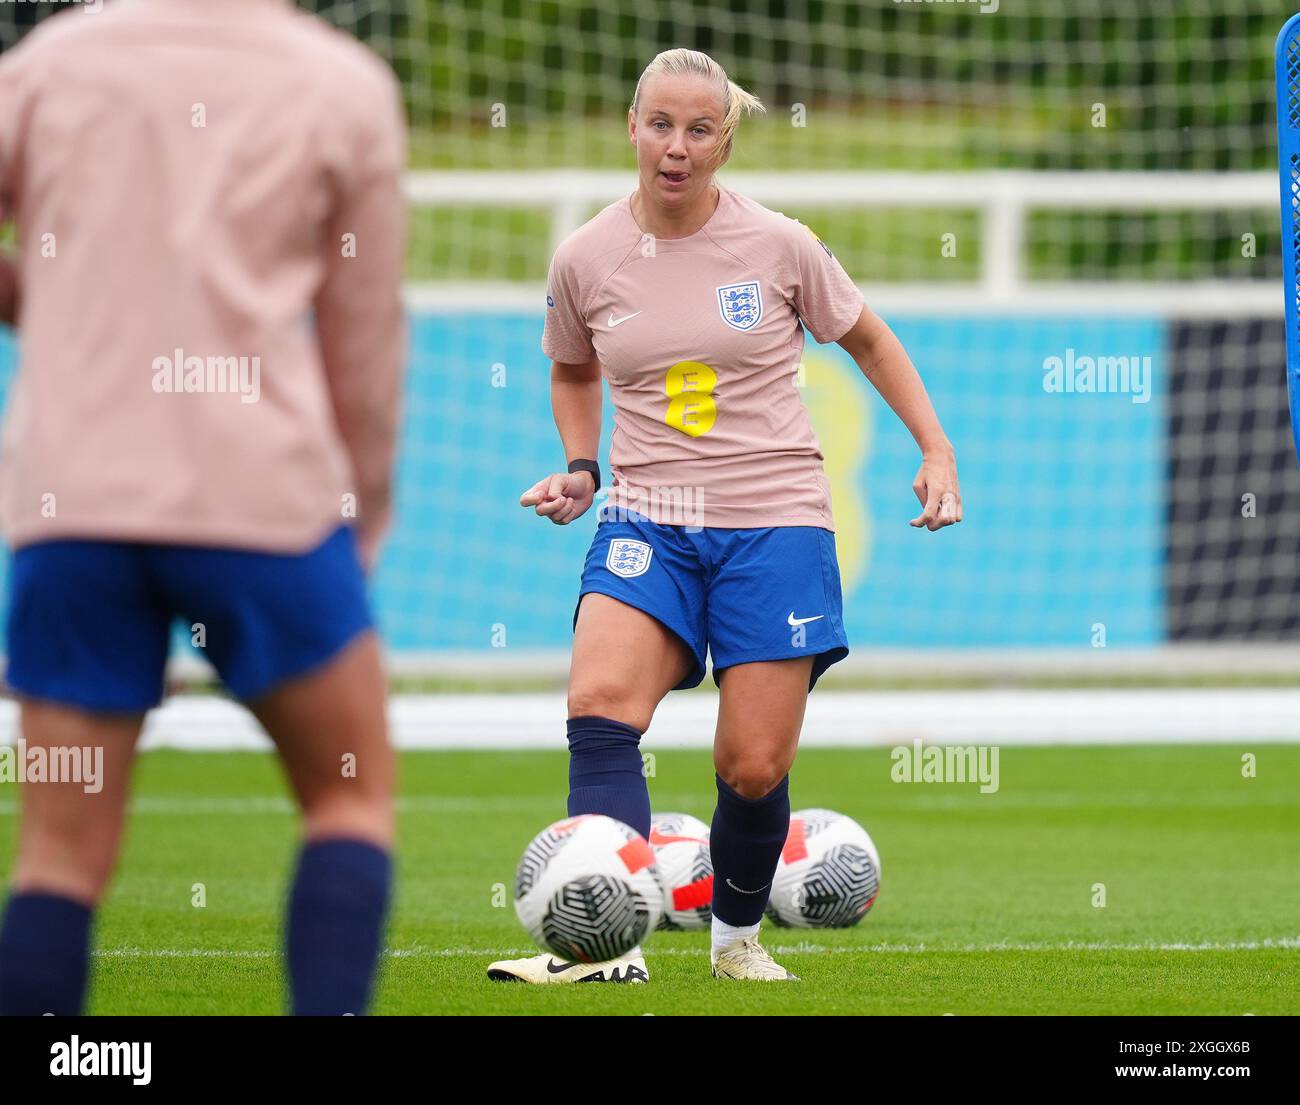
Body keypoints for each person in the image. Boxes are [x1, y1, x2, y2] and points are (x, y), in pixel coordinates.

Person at [493, 48, 961, 984]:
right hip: (647, 517)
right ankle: (606, 949)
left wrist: (936, 450)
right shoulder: (585, 256)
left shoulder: (781, 244)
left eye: (698, 129)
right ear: (631, 128)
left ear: (727, 140)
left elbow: (867, 336)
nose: (676, 146)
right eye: (659, 125)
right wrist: (583, 467)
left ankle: (735, 941)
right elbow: (574, 365)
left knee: (750, 766)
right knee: (598, 704)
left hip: (775, 521)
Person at [0, 0, 407, 1015]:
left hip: (74, 505)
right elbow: (364, 338)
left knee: (56, 854)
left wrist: (40, 305)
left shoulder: (50, 63)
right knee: (348, 797)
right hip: (260, 497)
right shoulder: (341, 83)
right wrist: (363, 507)